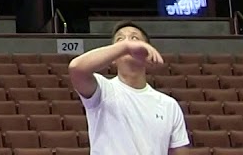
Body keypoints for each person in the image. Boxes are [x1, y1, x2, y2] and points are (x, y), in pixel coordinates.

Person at [67, 21, 190, 155]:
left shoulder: (168, 105)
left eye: (134, 38)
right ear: (113, 57)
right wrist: (125, 47)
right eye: (120, 39)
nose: (128, 43)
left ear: (147, 51)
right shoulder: (103, 90)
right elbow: (76, 68)